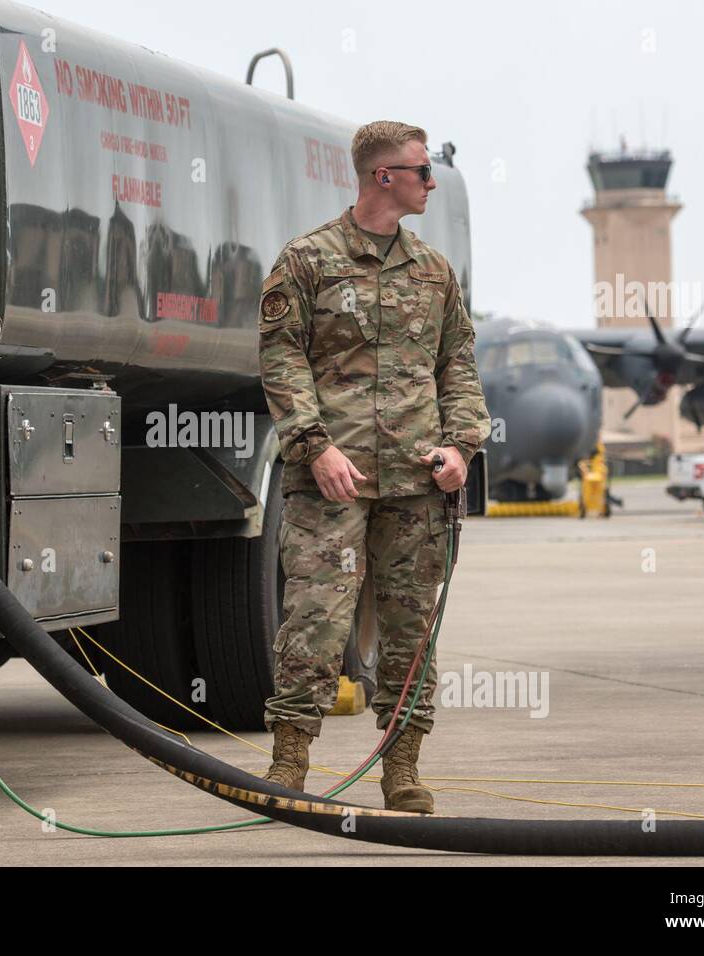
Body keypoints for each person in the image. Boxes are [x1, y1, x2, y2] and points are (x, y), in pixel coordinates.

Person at [257, 120, 490, 812]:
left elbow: (459, 368)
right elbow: (280, 358)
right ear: (382, 176)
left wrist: (461, 447)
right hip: (333, 478)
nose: (431, 181)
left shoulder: (434, 272)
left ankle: (402, 770)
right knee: (313, 621)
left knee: (411, 628)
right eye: (422, 171)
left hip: (418, 483)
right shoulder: (309, 261)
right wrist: (314, 445)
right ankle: (288, 767)